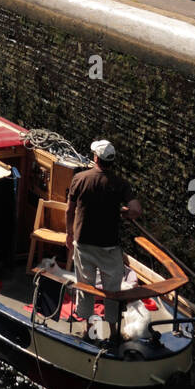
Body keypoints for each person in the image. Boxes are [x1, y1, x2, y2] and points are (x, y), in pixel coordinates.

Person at [65, 139, 141, 346]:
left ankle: (89, 330)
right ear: (112, 161)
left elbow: (70, 210)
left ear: (95, 158)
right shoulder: (120, 184)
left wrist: (68, 235)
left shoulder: (79, 179)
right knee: (112, 289)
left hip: (84, 243)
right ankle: (114, 331)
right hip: (109, 247)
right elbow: (136, 210)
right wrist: (122, 213)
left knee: (86, 285)